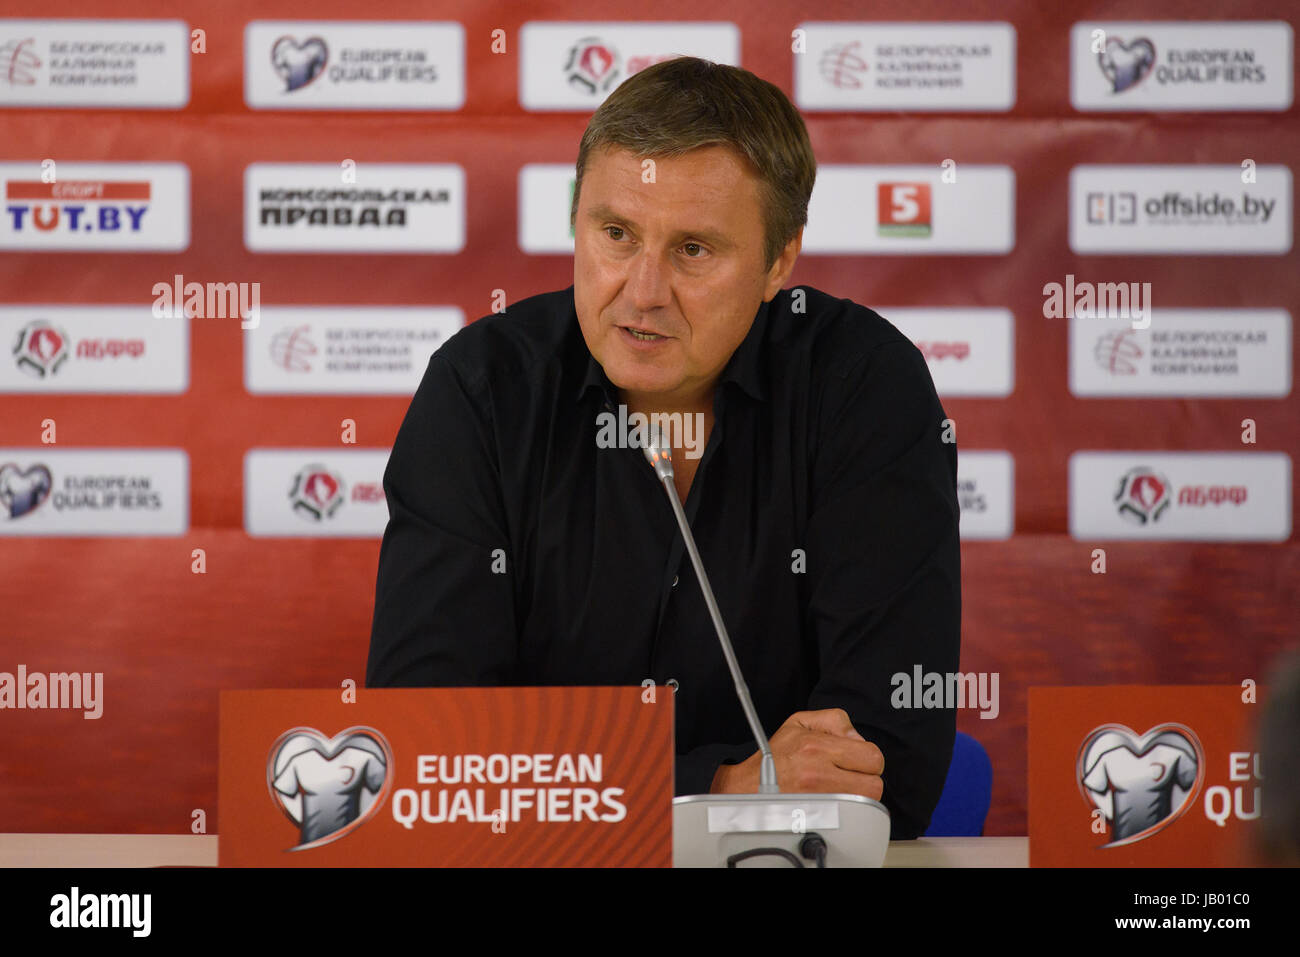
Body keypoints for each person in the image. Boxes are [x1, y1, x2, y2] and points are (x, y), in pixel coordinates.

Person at [366, 56, 961, 839]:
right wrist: (715, 782)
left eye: (693, 250)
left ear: (779, 260)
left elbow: (890, 759)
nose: (642, 291)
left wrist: (589, 782)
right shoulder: (482, 391)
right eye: (616, 233)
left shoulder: (863, 387)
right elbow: (425, 746)